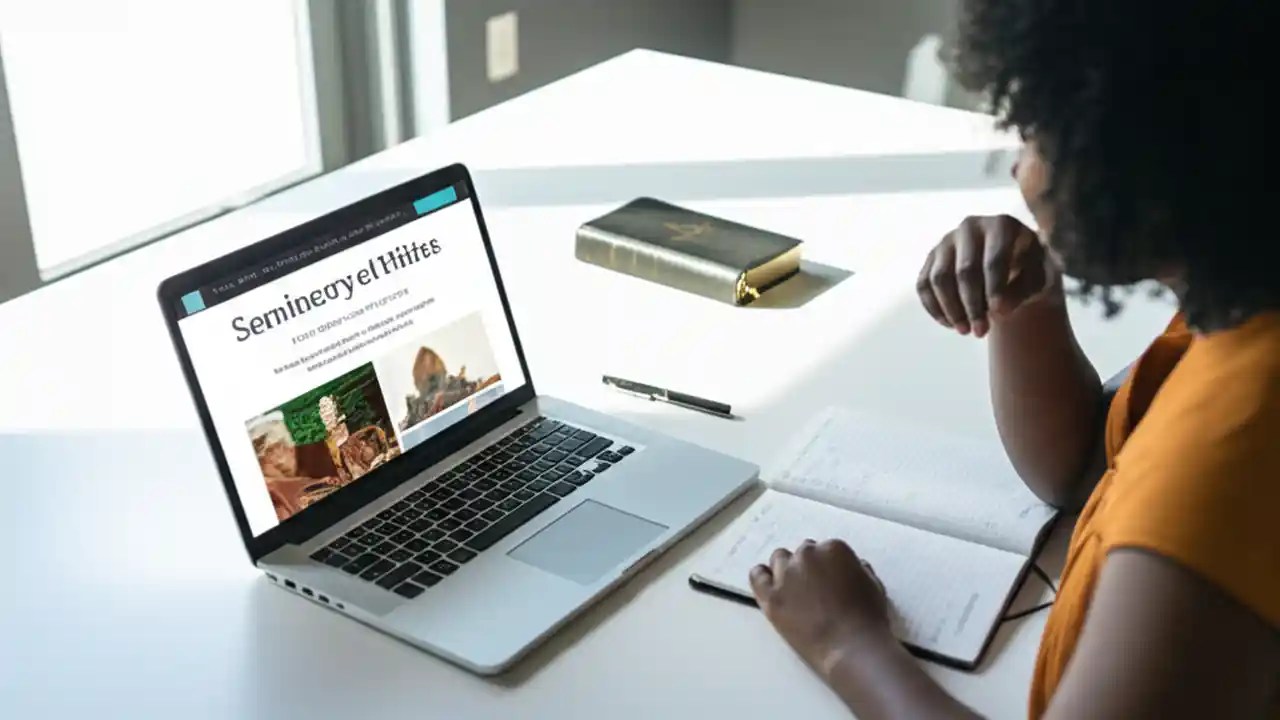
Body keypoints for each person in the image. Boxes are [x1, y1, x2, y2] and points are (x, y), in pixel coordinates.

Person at [748, 0, 1279, 717]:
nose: (1020, 172)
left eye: (1032, 133)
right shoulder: (1241, 307)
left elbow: (1177, 489)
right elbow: (1089, 475)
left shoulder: (1235, 440)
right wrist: (1027, 306)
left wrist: (847, 644)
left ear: (1138, 149)